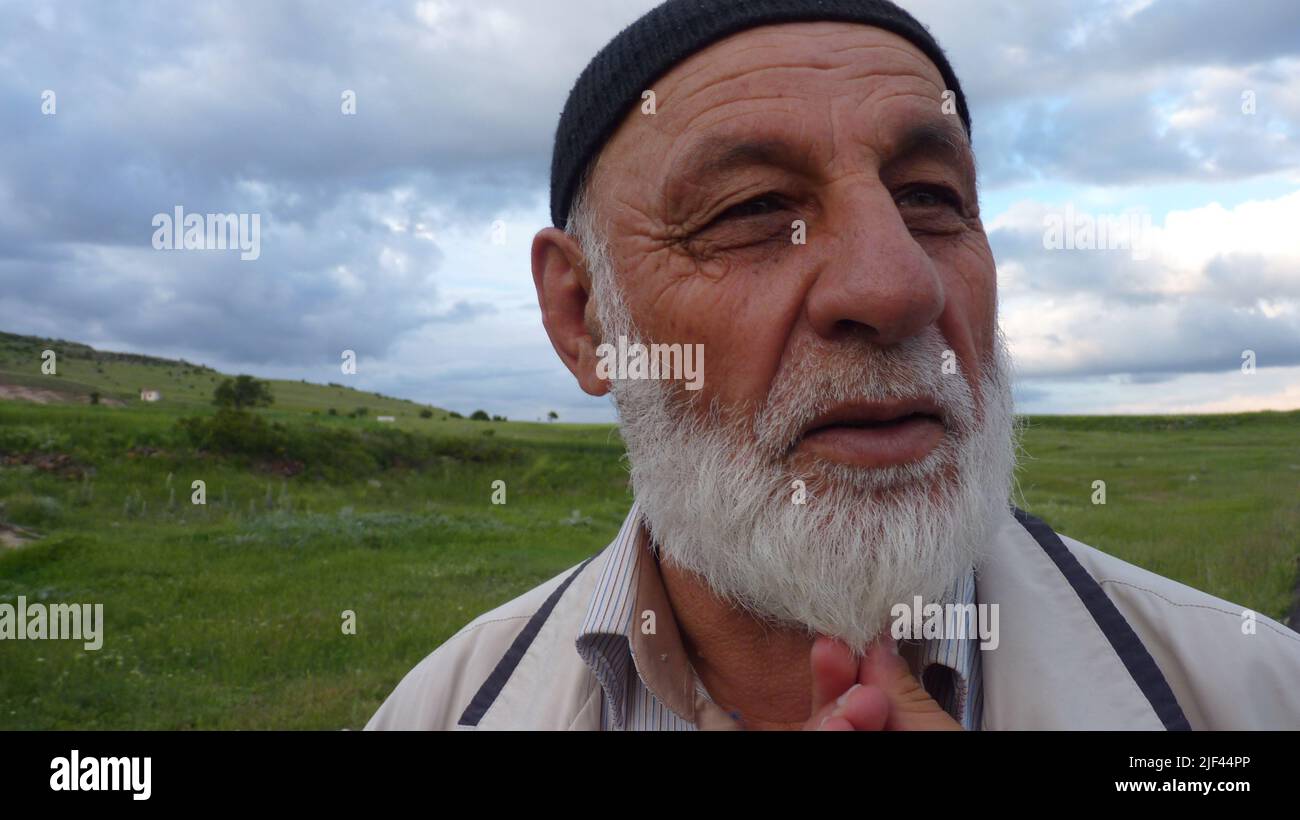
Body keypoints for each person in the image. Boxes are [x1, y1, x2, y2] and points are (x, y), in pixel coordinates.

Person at [367, 0, 1300, 731]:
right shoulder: (440, 712)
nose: (897, 288)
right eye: (751, 209)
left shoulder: (1251, 697)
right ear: (584, 317)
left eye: (931, 198)